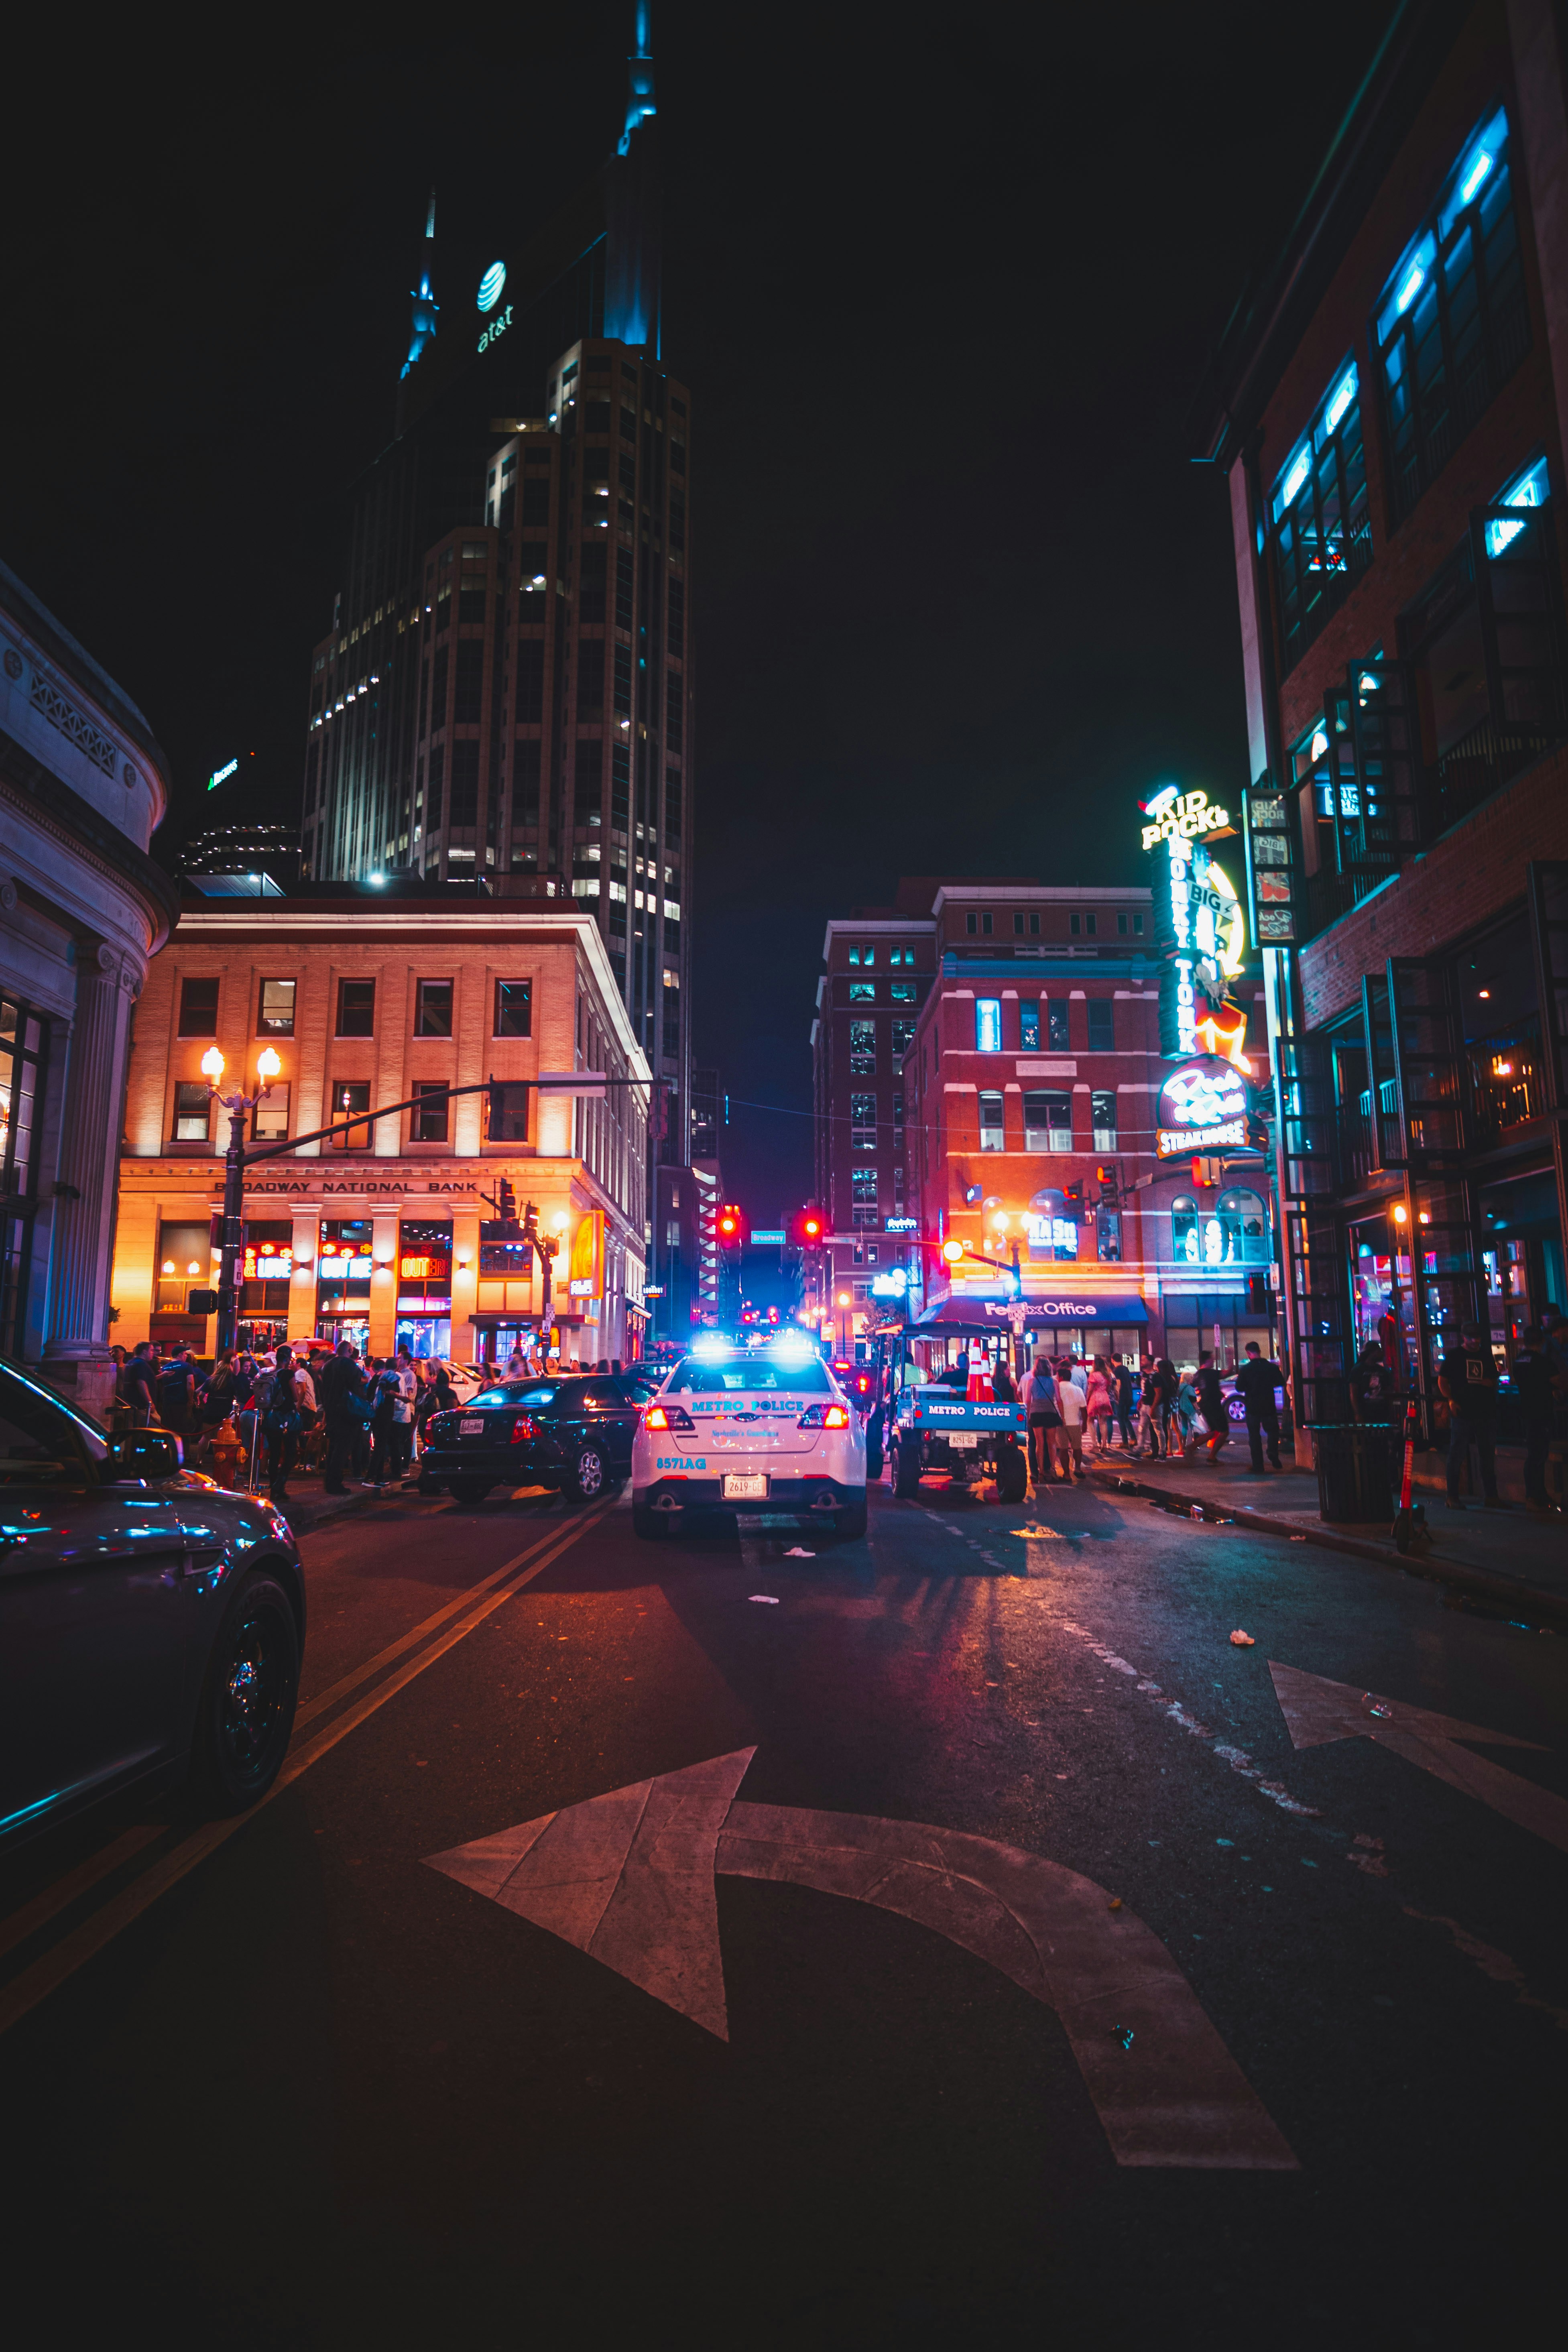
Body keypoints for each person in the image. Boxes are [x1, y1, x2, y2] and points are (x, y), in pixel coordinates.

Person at [1438, 1322, 1504, 1509]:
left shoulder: (1484, 1355)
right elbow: (1442, 1381)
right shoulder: (1454, 1356)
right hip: (1464, 1411)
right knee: (1458, 1454)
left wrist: (1489, 1383)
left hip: (1485, 1410)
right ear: (1463, 1338)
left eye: (1477, 1337)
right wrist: (1451, 1400)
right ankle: (1453, 1496)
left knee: (1487, 1455)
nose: (1475, 1341)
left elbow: (1494, 1379)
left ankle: (1491, 1496)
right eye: (1471, 1338)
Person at [1510, 1326, 1563, 1516]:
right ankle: (1535, 1497)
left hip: (1527, 1411)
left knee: (1534, 1455)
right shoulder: (1543, 1362)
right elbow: (1559, 1381)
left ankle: (1537, 1496)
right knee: (1538, 1456)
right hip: (1542, 1412)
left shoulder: (1519, 1361)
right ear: (1542, 1342)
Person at [318, 1340, 367, 1496]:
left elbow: (323, 1387)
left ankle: (330, 1480)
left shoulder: (327, 1366)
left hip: (331, 1409)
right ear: (350, 1350)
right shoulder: (349, 1365)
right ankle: (335, 1482)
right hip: (346, 1411)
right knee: (342, 1448)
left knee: (333, 1447)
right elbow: (355, 1385)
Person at [260, 1346, 302, 1500]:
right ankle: (280, 1484)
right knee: (291, 1453)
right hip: (286, 1418)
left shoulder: (269, 1373)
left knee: (275, 1453)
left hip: (272, 1417)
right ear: (287, 1359)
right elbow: (296, 1397)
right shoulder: (288, 1374)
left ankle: (274, 1488)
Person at [1236, 1341, 1283, 1472]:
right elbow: (1280, 1382)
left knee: (1254, 1436)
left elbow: (1239, 1387)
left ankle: (1258, 1466)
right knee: (1273, 1431)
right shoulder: (1271, 1367)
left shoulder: (1246, 1369)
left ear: (1249, 1354)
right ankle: (1273, 1452)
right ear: (1259, 1351)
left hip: (1252, 1406)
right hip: (1268, 1405)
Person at [192, 1348, 238, 1468]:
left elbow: (201, 1394)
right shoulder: (232, 1381)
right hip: (224, 1412)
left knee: (205, 1437)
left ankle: (199, 1460)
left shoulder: (211, 1380)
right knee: (221, 1439)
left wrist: (204, 1404)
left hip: (210, 1411)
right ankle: (218, 1462)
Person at [1022, 1356, 1062, 1483]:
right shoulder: (1054, 1382)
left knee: (1039, 1443)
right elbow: (1059, 1400)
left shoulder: (1032, 1382)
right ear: (1049, 1368)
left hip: (1036, 1413)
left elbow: (1028, 1400)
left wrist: (1028, 1416)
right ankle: (1052, 1468)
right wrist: (1062, 1416)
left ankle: (1041, 1472)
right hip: (1050, 1413)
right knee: (1052, 1443)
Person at [1053, 1360, 1086, 1482]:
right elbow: (1084, 1409)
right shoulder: (1078, 1390)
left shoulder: (1056, 1389)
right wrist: (1084, 1424)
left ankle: (1067, 1474)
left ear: (1060, 1377)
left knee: (1063, 1449)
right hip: (1075, 1422)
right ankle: (1077, 1469)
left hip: (1060, 1422)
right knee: (1077, 1447)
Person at [1193, 1353, 1229, 1460]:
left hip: (1205, 1404)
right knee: (1224, 1431)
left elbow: (1200, 1388)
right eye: (1212, 1359)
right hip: (1213, 1405)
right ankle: (1212, 1456)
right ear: (1207, 1360)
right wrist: (1230, 1357)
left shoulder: (1198, 1374)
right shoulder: (1210, 1373)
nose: (1214, 1361)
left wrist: (1217, 1392)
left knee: (1214, 1431)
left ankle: (1192, 1447)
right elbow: (1228, 1373)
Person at [390, 1347, 419, 1481]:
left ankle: (406, 1466)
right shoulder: (400, 1373)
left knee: (407, 1438)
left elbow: (408, 1394)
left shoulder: (409, 1375)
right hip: (400, 1410)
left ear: (405, 1360)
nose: (398, 1359)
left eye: (400, 1358)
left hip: (408, 1410)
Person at [155, 1346, 196, 1434]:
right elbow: (190, 1383)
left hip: (167, 1403)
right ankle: (182, 1448)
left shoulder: (164, 1368)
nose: (186, 1356)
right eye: (185, 1354)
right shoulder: (187, 1366)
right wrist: (190, 1400)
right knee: (183, 1431)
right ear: (180, 1354)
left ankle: (170, 1448)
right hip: (182, 1403)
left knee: (169, 1431)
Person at [123, 1340, 157, 1428]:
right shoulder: (141, 1364)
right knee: (155, 1428)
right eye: (152, 1350)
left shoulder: (131, 1363)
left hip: (132, 1405)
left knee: (134, 1431)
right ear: (144, 1352)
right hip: (142, 1406)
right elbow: (141, 1383)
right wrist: (150, 1403)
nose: (153, 1353)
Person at [1084, 1357, 1114, 1452]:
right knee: (1103, 1422)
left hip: (1095, 1398)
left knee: (1090, 1421)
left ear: (1095, 1365)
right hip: (1105, 1397)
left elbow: (1091, 1389)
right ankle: (1104, 1445)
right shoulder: (1107, 1375)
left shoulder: (1093, 1375)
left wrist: (1087, 1399)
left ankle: (1095, 1445)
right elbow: (1108, 1389)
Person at [1113, 1358, 1135, 1449]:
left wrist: (1117, 1396)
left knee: (1121, 1419)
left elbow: (1118, 1383)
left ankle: (1125, 1441)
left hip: (1121, 1397)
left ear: (1112, 1360)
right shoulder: (1126, 1369)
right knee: (1126, 1418)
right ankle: (1134, 1439)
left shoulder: (1117, 1370)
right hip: (1129, 1396)